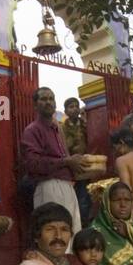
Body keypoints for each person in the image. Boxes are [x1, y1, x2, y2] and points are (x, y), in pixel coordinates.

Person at [20, 86, 90, 241]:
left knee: (72, 233)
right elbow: (33, 164)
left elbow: (66, 157)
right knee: (54, 236)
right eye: (43, 99)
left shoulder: (58, 129)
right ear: (35, 105)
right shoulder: (32, 130)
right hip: (48, 186)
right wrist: (67, 161)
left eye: (51, 99)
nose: (48, 102)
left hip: (67, 186)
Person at [61, 96, 93, 227]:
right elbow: (64, 146)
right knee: (75, 197)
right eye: (71, 107)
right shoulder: (62, 128)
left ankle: (84, 222)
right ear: (66, 111)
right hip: (71, 167)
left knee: (86, 196)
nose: (74, 109)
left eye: (76, 106)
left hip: (87, 165)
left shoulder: (85, 124)